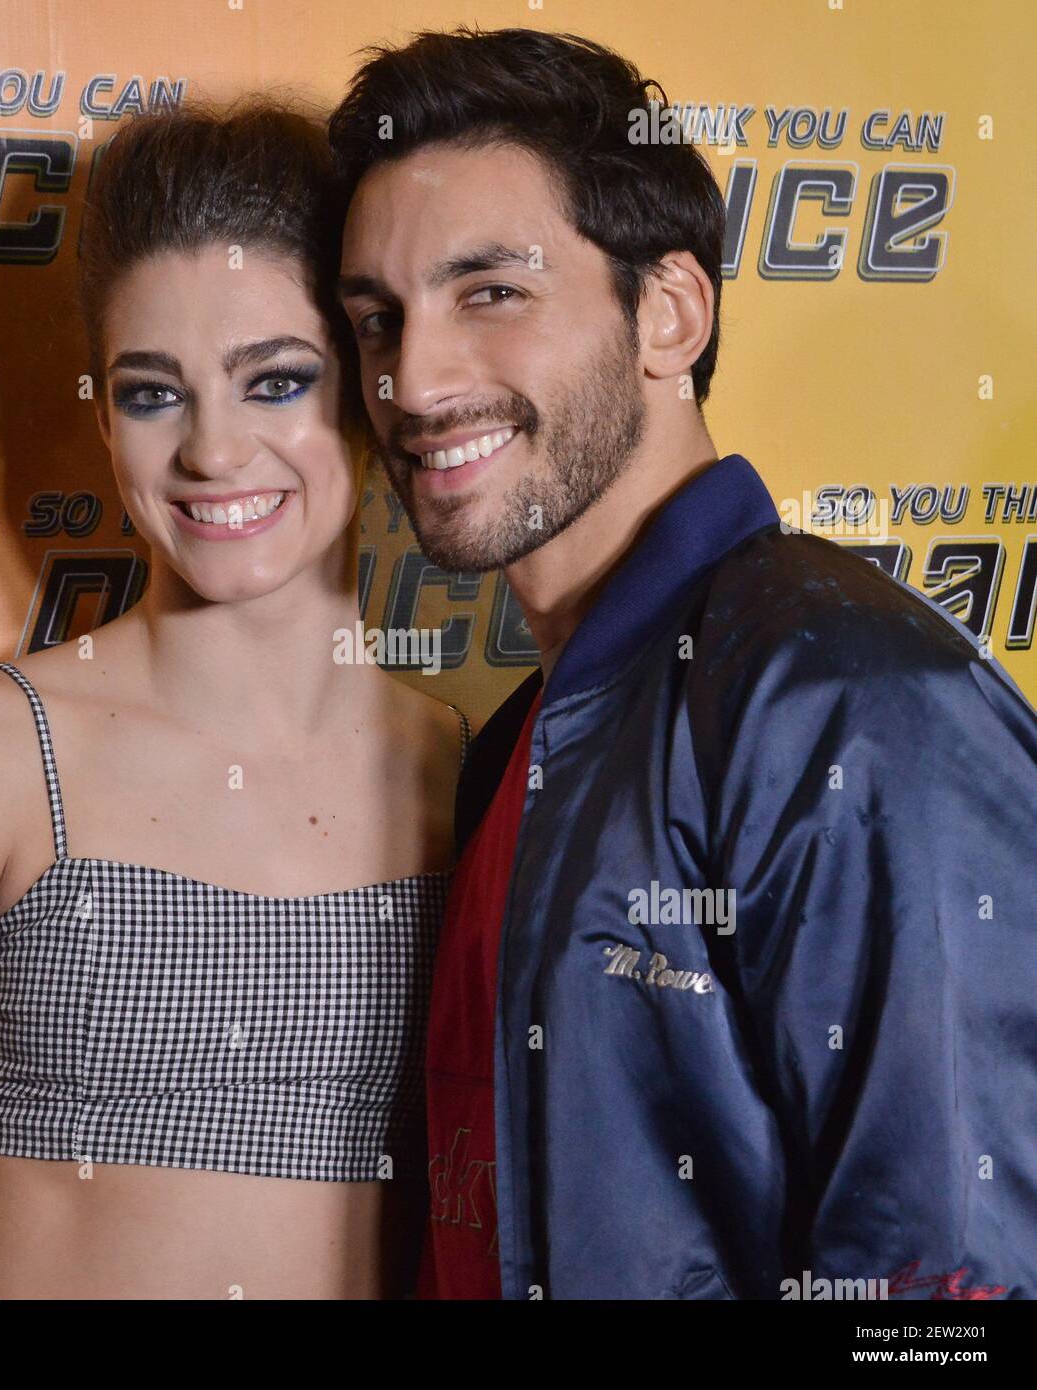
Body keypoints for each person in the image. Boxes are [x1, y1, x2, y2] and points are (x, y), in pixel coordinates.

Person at [326, 26, 1037, 1299]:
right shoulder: (527, 735)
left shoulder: (845, 699)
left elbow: (962, 1284)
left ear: (668, 312)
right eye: (379, 318)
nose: (412, 378)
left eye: (490, 291)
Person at [0, 99, 469, 1301]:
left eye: (276, 382)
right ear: (101, 417)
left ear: (366, 391)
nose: (211, 449)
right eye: (154, 392)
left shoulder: (473, 768)